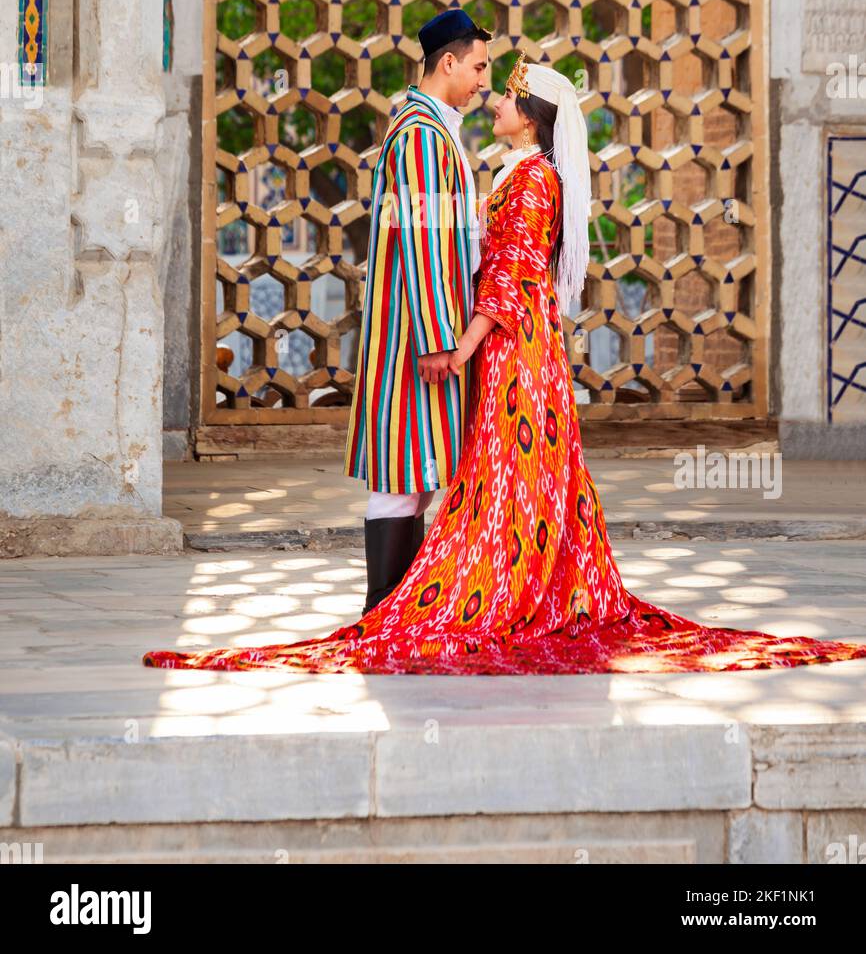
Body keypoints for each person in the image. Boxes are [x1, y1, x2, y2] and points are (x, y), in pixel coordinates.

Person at [143, 54, 866, 675]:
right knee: (516, 481)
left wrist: (458, 346)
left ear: (533, 117)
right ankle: (468, 593)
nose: (495, 101)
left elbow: (514, 274)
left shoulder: (529, 182)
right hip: (526, 347)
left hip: (513, 349)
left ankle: (479, 597)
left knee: (505, 477)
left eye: (508, 97)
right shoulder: (528, 173)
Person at [343, 7, 490, 613]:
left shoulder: (430, 128)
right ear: (447, 62)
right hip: (416, 336)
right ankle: (383, 611)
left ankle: (399, 611)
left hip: (417, 330)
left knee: (416, 477)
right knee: (405, 477)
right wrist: (436, 340)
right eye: (479, 67)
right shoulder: (424, 136)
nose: (485, 80)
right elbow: (425, 240)